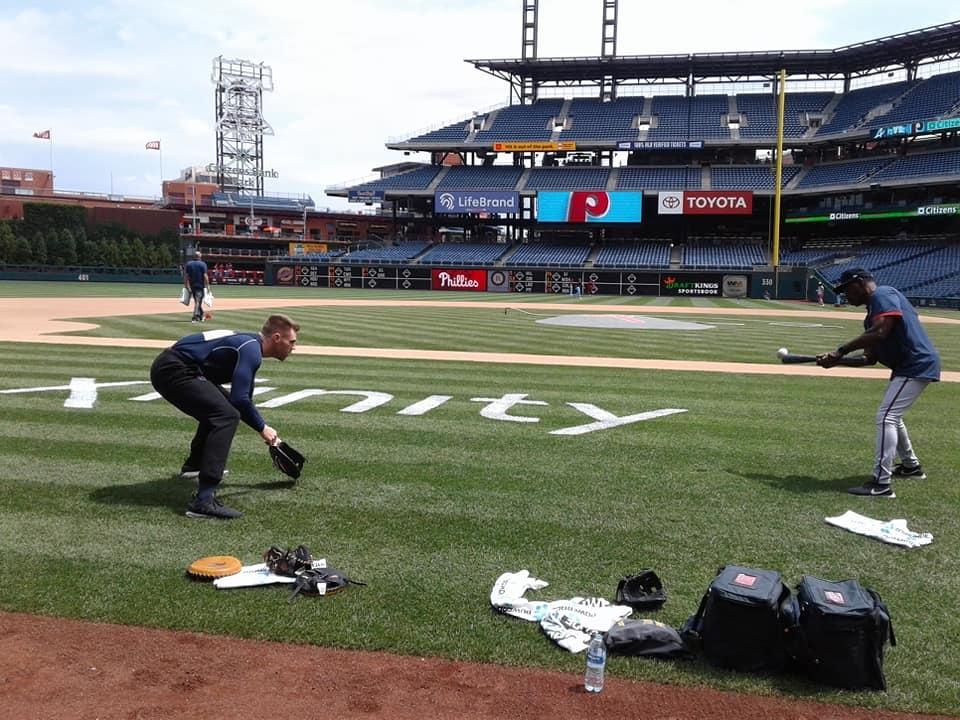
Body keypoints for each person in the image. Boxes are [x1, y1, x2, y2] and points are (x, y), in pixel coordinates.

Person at [150, 314, 300, 519]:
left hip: (178, 367)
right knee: (225, 415)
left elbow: (243, 400)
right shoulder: (251, 350)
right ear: (276, 338)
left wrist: (269, 435)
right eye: (291, 341)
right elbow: (239, 401)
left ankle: (194, 466)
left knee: (222, 410)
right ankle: (203, 501)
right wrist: (263, 428)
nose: (294, 347)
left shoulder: (250, 345)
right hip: (174, 369)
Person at [816, 269, 940, 498]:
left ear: (860, 283)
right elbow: (869, 359)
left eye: (847, 289)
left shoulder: (882, 295)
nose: (845, 295)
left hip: (916, 363)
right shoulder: (870, 316)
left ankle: (881, 484)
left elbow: (881, 332)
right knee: (893, 416)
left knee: (886, 417)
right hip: (909, 366)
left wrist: (840, 350)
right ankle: (911, 467)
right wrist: (836, 361)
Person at [183, 251, 210, 323]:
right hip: (200, 286)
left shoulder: (189, 264)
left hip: (192, 285)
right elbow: (205, 276)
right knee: (198, 301)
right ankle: (194, 317)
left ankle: (201, 315)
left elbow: (186, 276)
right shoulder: (203, 264)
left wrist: (186, 285)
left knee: (197, 301)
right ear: (199, 257)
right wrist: (208, 286)